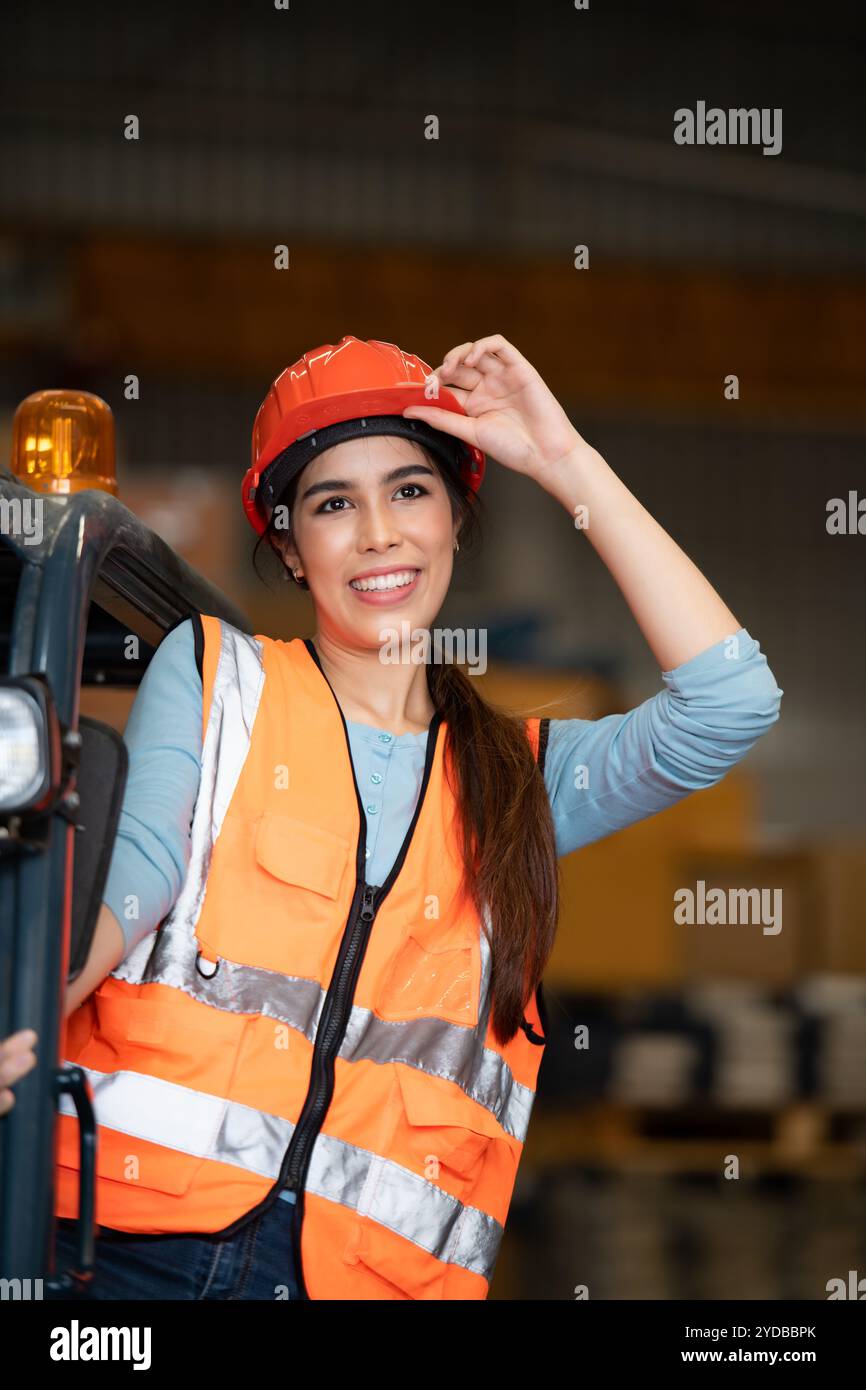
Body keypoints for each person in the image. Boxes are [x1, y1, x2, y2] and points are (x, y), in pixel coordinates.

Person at [52, 334, 783, 1300]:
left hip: (367, 1281)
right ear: (288, 546)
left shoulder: (521, 784)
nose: (378, 535)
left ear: (453, 517)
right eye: (333, 505)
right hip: (134, 1253)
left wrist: (567, 464)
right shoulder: (221, 676)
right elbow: (135, 878)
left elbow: (730, 705)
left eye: (409, 491)